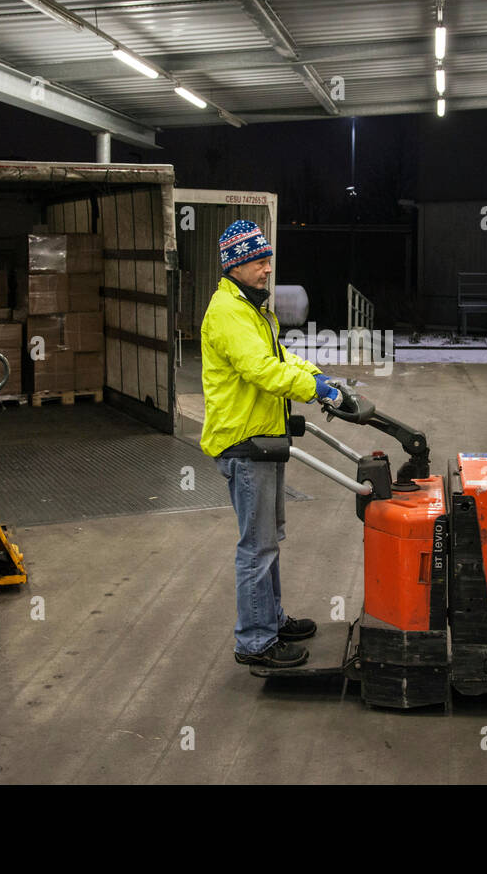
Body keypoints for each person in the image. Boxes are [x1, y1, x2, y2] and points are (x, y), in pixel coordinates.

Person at [200, 220, 342, 669]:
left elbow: (279, 358)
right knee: (257, 547)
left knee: (268, 541)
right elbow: (262, 371)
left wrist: (316, 375)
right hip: (245, 444)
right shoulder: (228, 312)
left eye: (268, 261)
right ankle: (256, 640)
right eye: (260, 262)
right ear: (237, 265)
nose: (267, 270)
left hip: (264, 439)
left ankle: (271, 618)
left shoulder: (251, 308)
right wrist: (314, 390)